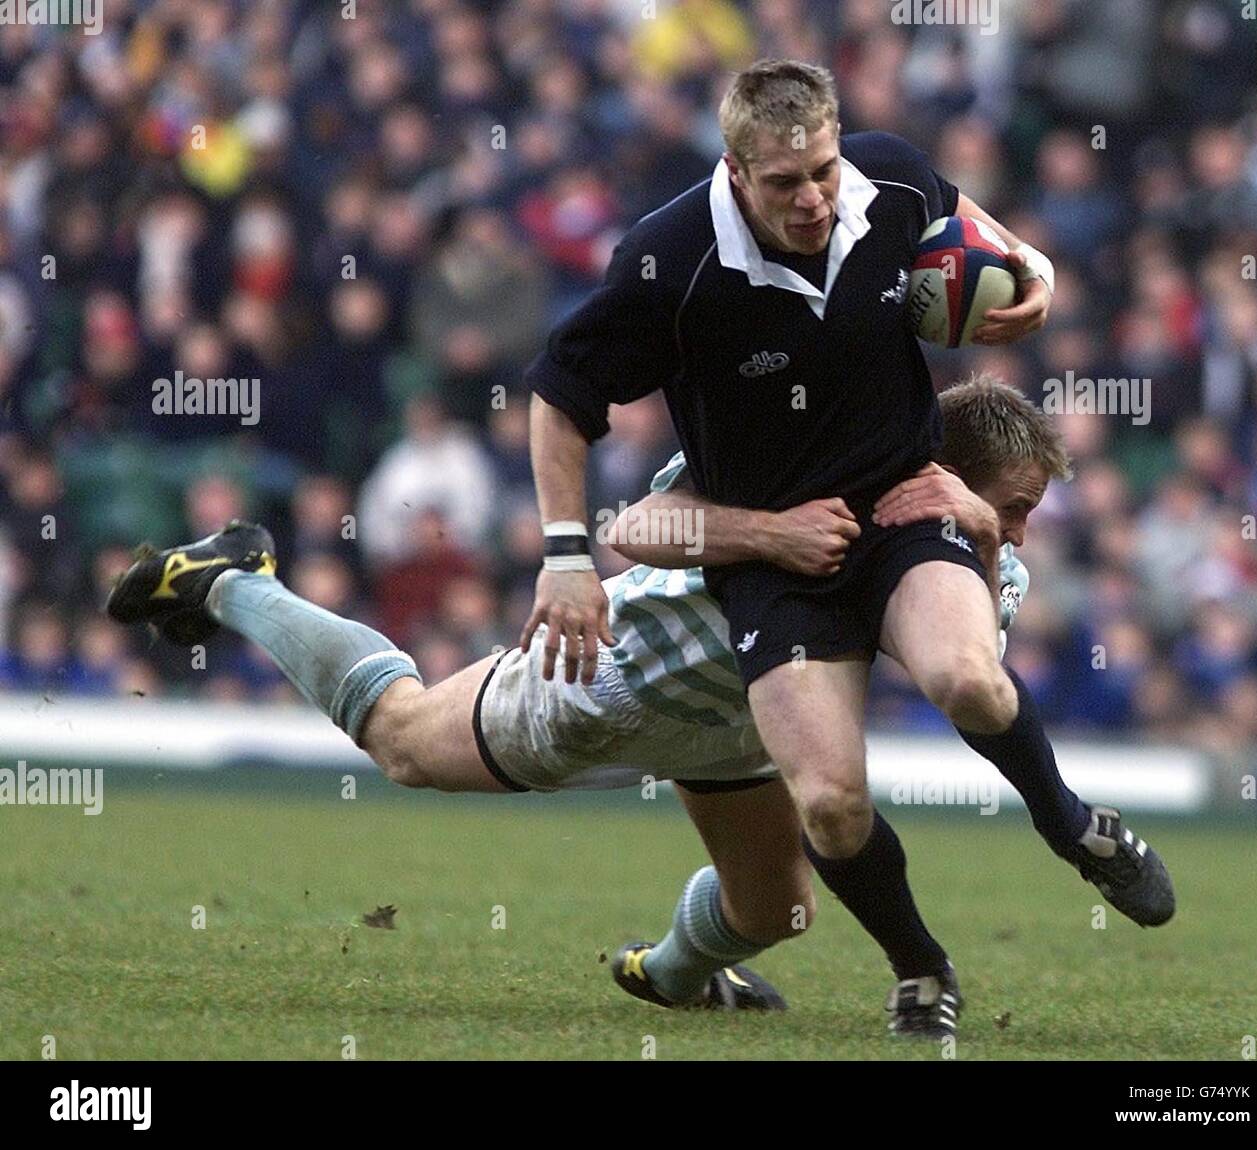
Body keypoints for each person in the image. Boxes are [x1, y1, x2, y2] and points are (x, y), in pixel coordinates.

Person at [104, 375, 1172, 1040]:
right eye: (1014, 506)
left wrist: (975, 542)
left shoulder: (980, 574)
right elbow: (636, 527)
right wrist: (771, 532)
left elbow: (966, 671)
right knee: (404, 742)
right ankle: (233, 579)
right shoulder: (790, 458)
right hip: (611, 676)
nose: (1019, 532)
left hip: (747, 725)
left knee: (779, 913)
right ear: (945, 471)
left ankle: (664, 978)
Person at [519, 59, 1170, 1030]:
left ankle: (1074, 825)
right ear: (736, 170)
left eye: (822, 169)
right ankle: (922, 969)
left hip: (903, 503)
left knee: (969, 680)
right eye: (784, 182)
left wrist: (1032, 275)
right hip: (774, 561)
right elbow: (560, 398)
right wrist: (566, 554)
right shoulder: (669, 263)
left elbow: (976, 225)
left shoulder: (891, 178)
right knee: (827, 803)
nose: (814, 197)